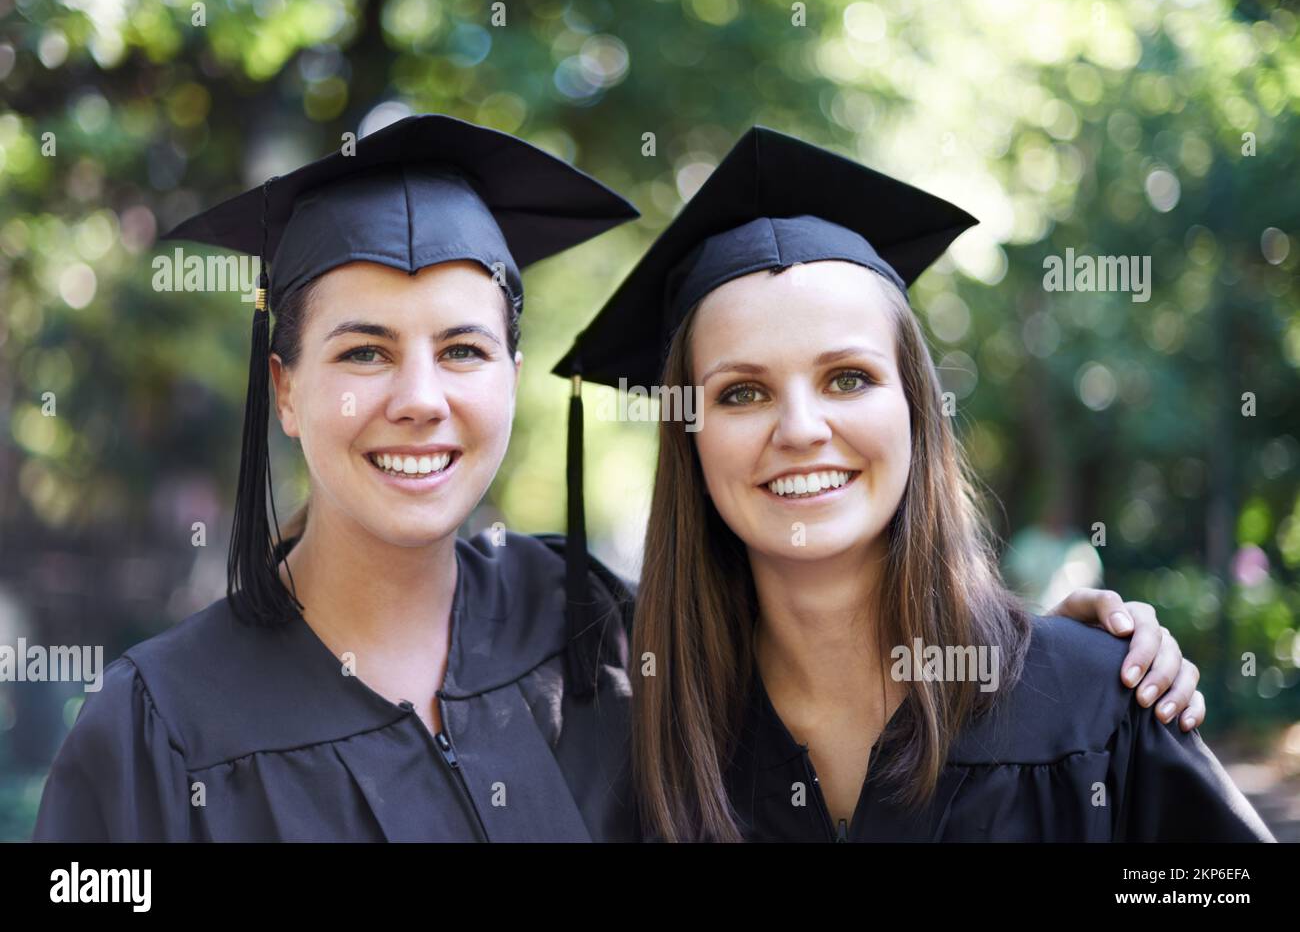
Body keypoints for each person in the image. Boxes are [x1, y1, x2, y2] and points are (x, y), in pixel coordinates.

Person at [553, 126, 1273, 842]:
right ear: (689, 438)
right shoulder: (645, 751)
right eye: (742, 393)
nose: (801, 429)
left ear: (916, 411)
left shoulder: (1094, 708)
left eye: (848, 378)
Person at [32, 114, 641, 841]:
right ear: (285, 391)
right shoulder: (160, 729)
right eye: (364, 354)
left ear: (511, 379)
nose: (419, 399)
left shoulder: (592, 627)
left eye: (462, 352)